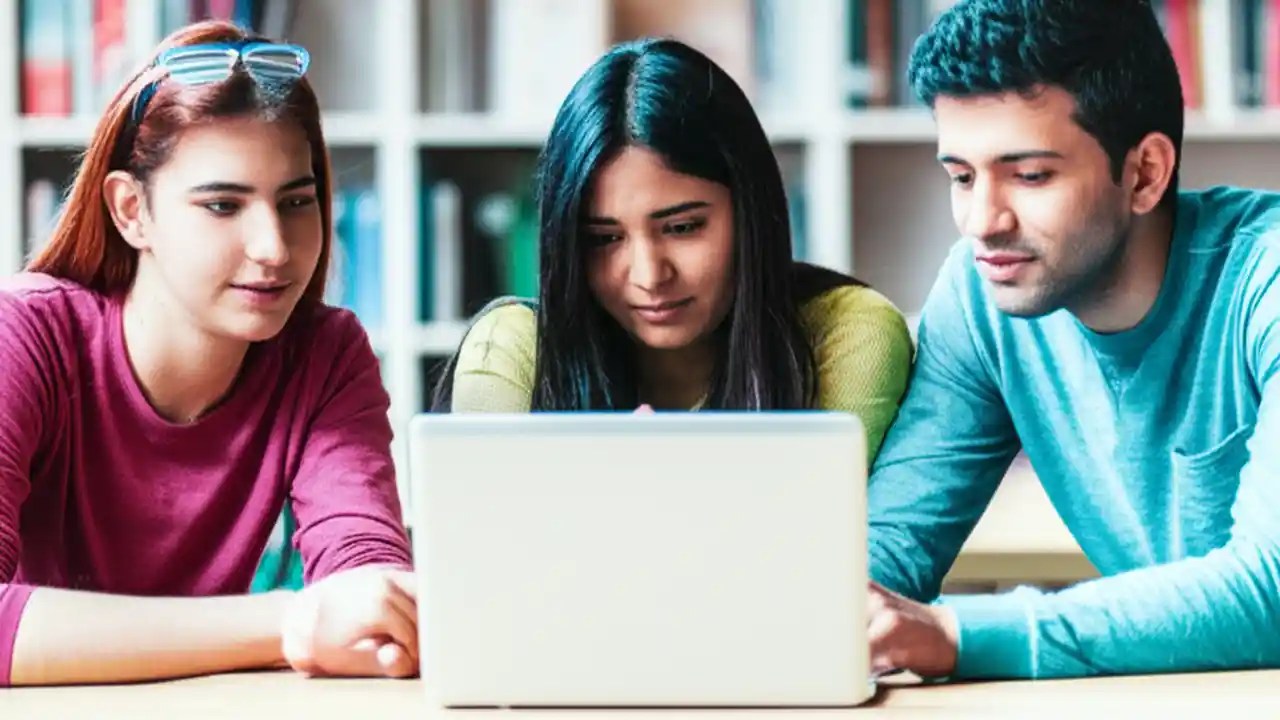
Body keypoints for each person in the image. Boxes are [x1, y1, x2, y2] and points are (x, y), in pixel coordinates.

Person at [865, 0, 1280, 680]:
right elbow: (892, 545)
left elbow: (1271, 591)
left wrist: (953, 632)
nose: (982, 221)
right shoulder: (980, 298)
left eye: (1029, 176)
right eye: (962, 177)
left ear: (1145, 172)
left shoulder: (1266, 279)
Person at [0, 21, 419, 686]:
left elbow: (368, 596)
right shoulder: (25, 335)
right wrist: (289, 623)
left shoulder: (326, 355)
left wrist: (368, 612)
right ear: (131, 210)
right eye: (223, 205)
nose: (275, 248)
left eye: (297, 202)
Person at [432, 38, 913, 464]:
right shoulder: (512, 349)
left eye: (682, 227)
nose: (648, 274)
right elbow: (491, 556)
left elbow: (807, 543)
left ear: (750, 209)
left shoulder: (846, 333)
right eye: (604, 239)